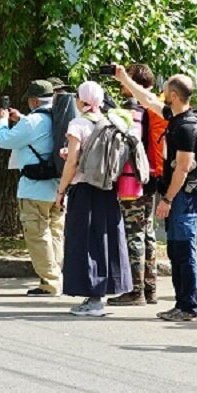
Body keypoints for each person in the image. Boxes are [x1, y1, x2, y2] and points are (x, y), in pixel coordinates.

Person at [115, 66, 197, 322]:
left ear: (174, 95)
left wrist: (167, 199)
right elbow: (147, 99)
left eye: (165, 92)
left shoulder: (187, 127)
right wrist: (125, 79)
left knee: (184, 251)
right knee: (175, 251)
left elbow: (184, 168)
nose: (161, 95)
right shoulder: (173, 117)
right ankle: (181, 304)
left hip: (183, 197)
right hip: (176, 196)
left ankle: (189, 307)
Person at [55, 81, 131, 317]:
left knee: (84, 242)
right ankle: (99, 295)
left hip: (85, 188)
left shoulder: (77, 123)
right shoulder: (110, 121)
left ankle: (93, 300)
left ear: (81, 100)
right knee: (105, 240)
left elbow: (72, 162)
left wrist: (61, 190)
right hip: (107, 189)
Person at [0, 80, 63, 296]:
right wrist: (22, 119)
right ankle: (56, 275)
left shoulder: (32, 121)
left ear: (34, 100)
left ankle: (50, 282)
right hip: (58, 187)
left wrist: (3, 122)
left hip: (34, 188)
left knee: (37, 235)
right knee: (55, 233)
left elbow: (5, 141)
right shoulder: (59, 118)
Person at [108, 64, 164, 307]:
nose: (121, 85)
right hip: (152, 178)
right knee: (148, 233)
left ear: (134, 82)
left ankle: (136, 290)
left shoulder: (133, 110)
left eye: (124, 80)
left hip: (133, 181)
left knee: (134, 234)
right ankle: (150, 289)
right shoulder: (154, 107)